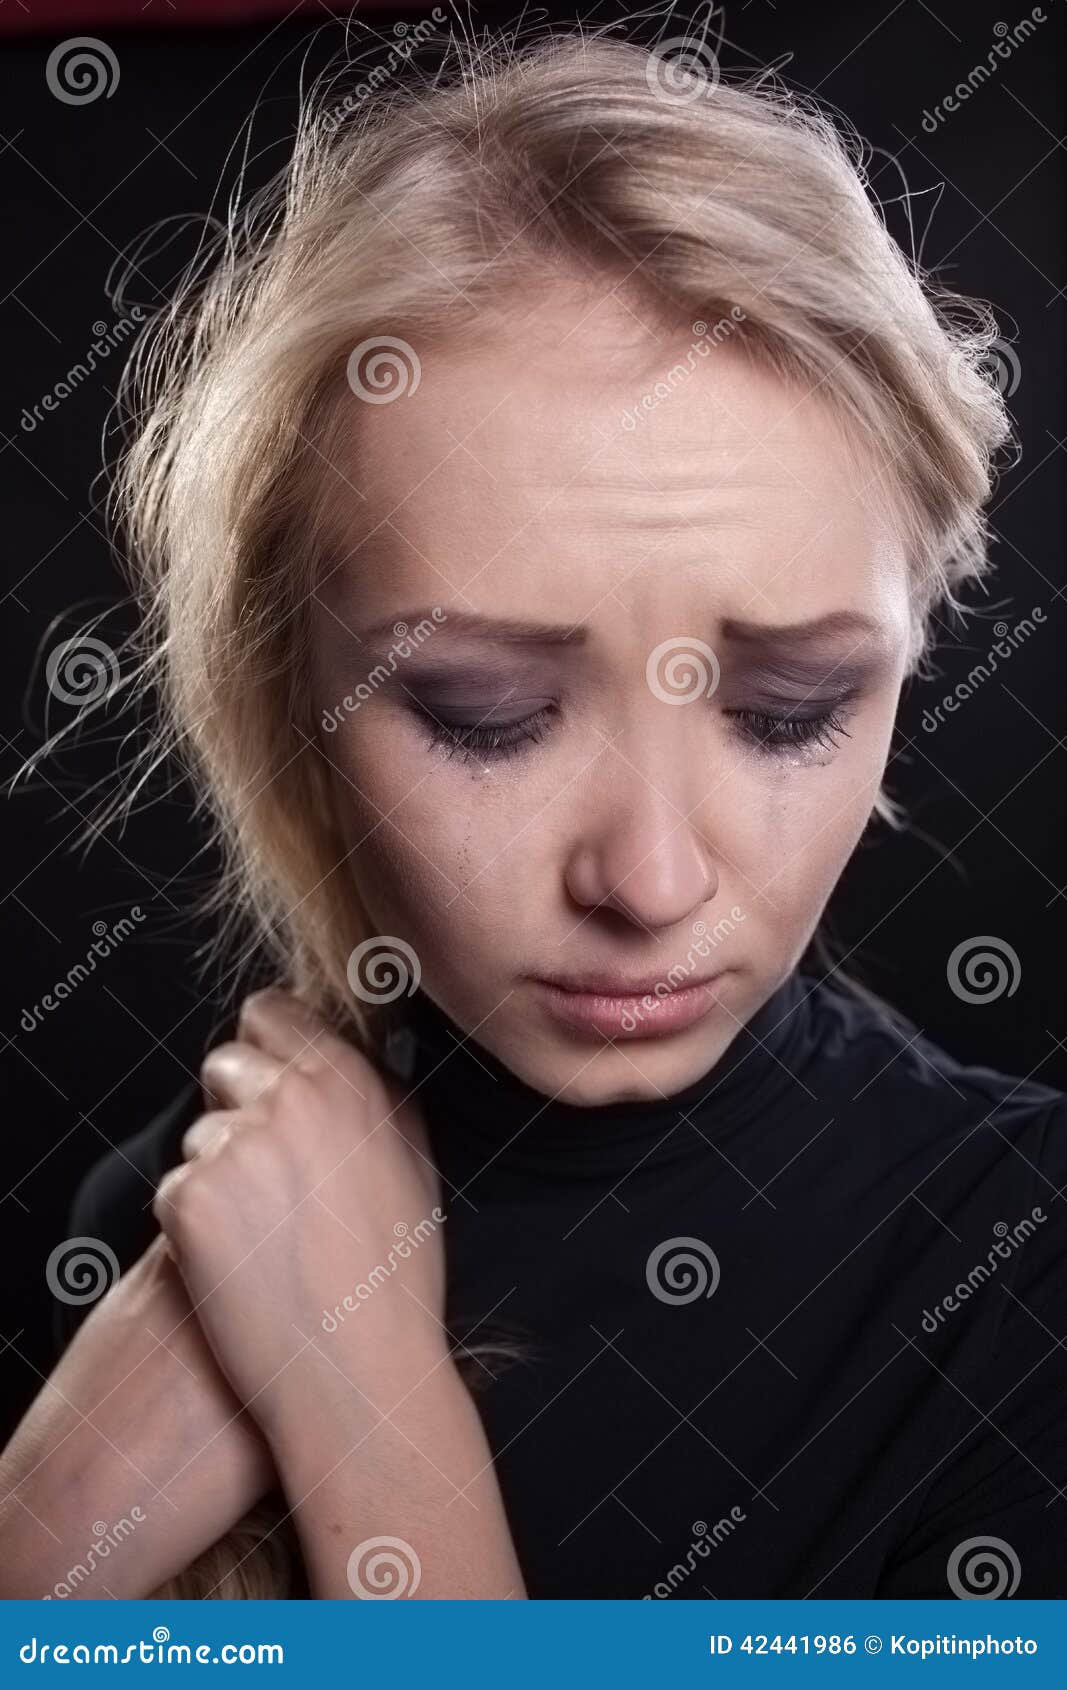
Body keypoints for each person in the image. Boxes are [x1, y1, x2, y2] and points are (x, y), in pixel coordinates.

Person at [2, 26, 1063, 1601]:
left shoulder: (1023, 1266)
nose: (651, 877)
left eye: (789, 710)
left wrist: (358, 1385)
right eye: (484, 713)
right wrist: (47, 1514)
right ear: (285, 677)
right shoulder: (166, 1214)